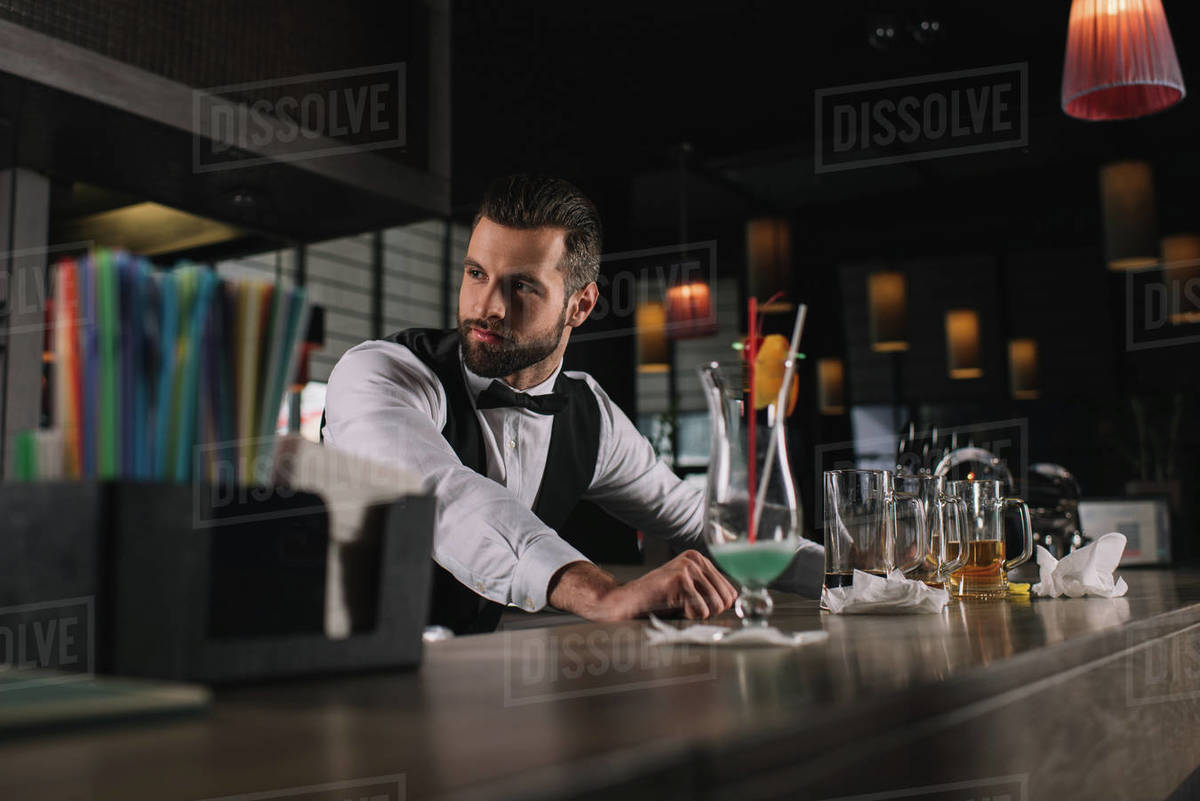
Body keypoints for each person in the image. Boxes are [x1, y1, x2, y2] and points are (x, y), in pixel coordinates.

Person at [323, 174, 823, 634]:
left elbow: (698, 518)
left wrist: (843, 575)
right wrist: (601, 594)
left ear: (580, 305)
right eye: (476, 273)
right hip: (331, 665)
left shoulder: (590, 415)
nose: (486, 306)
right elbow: (438, 495)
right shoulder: (379, 372)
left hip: (467, 670)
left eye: (521, 286)